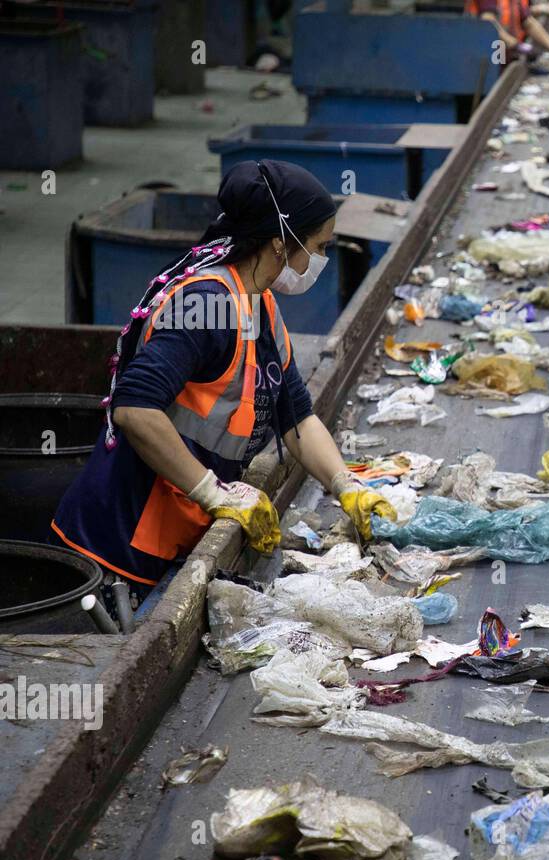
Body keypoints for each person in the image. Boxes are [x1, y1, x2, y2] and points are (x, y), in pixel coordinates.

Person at [51, 160, 395, 606]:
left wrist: (345, 484)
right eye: (317, 246)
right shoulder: (206, 306)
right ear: (279, 243)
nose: (320, 261)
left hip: (177, 536)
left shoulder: (260, 304)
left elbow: (297, 417)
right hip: (119, 547)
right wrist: (212, 492)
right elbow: (134, 409)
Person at [466, 0, 549, 57]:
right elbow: (488, 20)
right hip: (483, 52)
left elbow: (529, 23)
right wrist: (515, 44)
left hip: (503, 52)